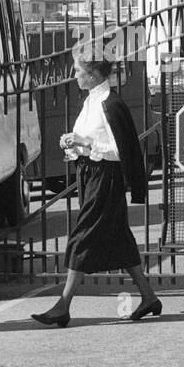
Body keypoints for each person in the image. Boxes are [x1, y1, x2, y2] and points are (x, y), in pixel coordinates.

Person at [32, 56, 161, 326]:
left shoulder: (110, 104)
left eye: (79, 71)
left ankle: (63, 305)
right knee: (120, 239)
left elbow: (119, 153)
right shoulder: (90, 101)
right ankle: (148, 297)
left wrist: (85, 143)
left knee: (82, 237)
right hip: (90, 175)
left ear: (92, 75)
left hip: (106, 179)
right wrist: (73, 145)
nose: (75, 76)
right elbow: (88, 143)